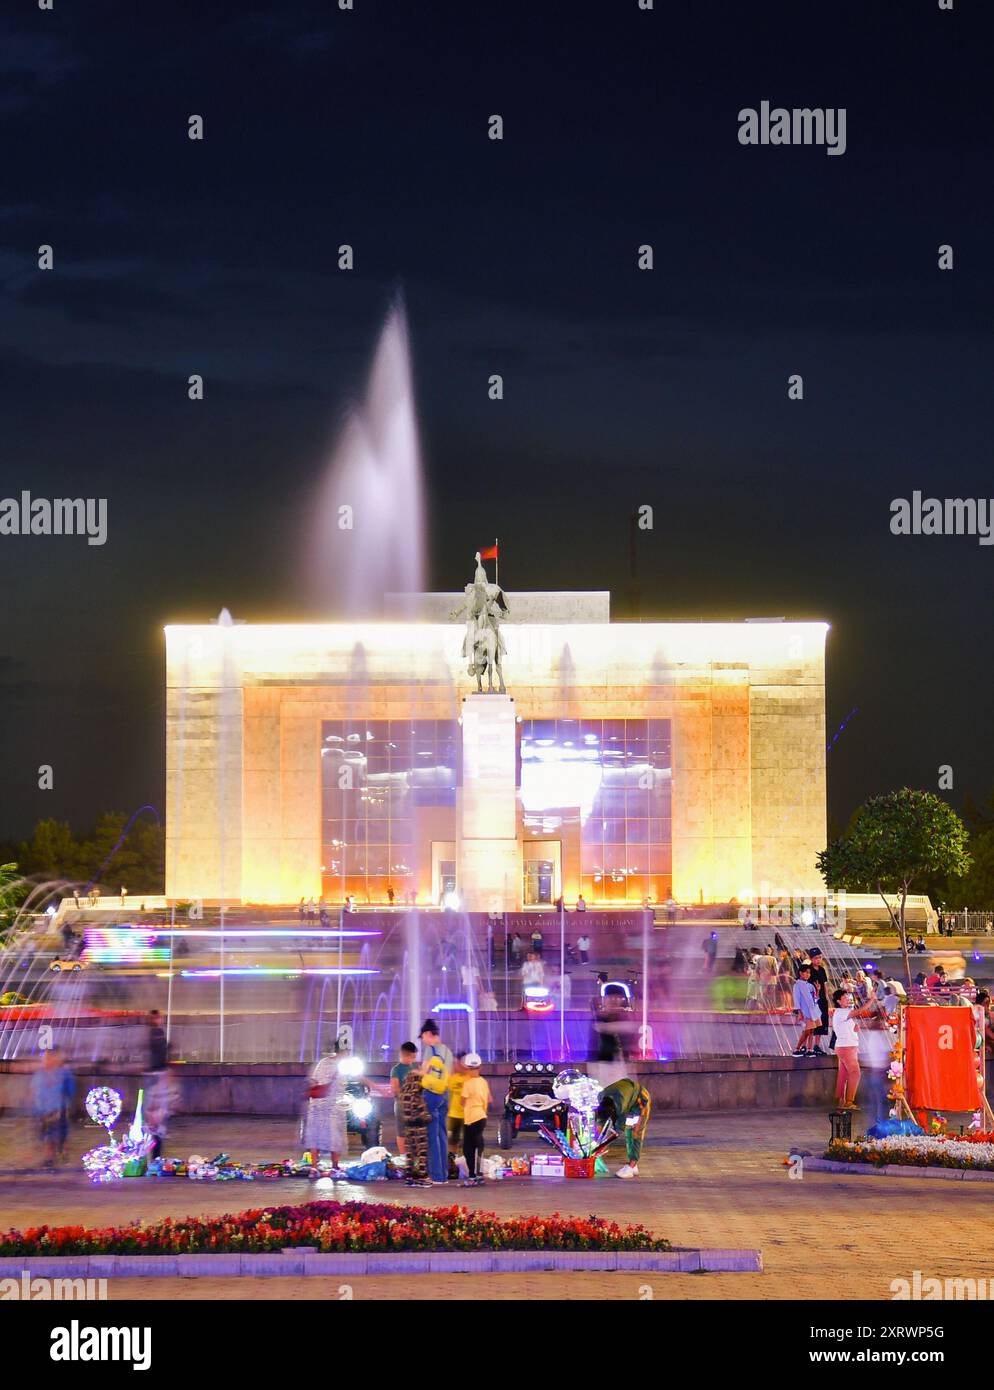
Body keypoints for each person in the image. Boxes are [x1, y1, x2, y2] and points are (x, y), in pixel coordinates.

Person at [594, 1076, 651, 1179]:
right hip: (628, 1098)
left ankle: (632, 1165)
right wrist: (596, 1144)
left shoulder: (619, 1107)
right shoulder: (601, 1097)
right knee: (629, 1134)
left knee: (635, 1133)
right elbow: (599, 1123)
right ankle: (633, 1166)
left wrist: (602, 1147)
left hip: (640, 1101)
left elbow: (617, 1132)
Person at [302, 1050, 349, 1168]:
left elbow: (313, 1082)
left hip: (317, 1104)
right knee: (335, 1133)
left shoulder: (323, 1062)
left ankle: (314, 1166)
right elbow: (355, 1079)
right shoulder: (343, 1065)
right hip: (332, 1105)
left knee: (316, 1134)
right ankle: (335, 1165)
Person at [419, 1019, 452, 1183]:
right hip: (445, 1094)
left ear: (427, 1034)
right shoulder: (447, 1051)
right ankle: (444, 1175)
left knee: (431, 1135)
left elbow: (424, 1071)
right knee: (442, 1134)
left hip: (431, 1094)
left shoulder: (429, 1050)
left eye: (423, 1037)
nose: (423, 1041)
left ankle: (436, 1175)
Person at [32, 1049, 75, 1168]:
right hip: (43, 1110)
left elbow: (70, 1092)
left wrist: (66, 1108)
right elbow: (35, 1091)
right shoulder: (40, 1075)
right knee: (47, 1136)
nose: (46, 1061)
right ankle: (50, 1158)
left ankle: (62, 1152)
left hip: (58, 1110)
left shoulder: (64, 1074)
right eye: (44, 1059)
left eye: (48, 1058)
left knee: (59, 1135)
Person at [460, 1053, 490, 1186]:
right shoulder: (483, 1082)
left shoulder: (467, 1083)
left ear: (467, 1068)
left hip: (470, 1119)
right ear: (480, 1067)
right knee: (479, 1145)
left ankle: (472, 1175)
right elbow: (487, 1100)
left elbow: (462, 1101)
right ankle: (479, 1174)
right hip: (481, 1116)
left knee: (468, 1148)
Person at [399, 1063, 432, 1187]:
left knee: (410, 1152)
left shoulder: (404, 1094)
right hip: (419, 1127)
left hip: (408, 1127)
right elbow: (424, 1113)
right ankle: (422, 1176)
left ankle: (409, 1175)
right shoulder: (416, 1096)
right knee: (421, 1151)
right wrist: (428, 1117)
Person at [144, 1067, 181, 1160]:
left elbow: (174, 1102)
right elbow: (149, 1104)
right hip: (155, 1118)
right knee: (155, 1140)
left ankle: (155, 1159)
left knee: (157, 1140)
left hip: (160, 1118)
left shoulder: (171, 1088)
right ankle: (153, 1159)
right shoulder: (156, 1089)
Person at [390, 1041, 418, 1157]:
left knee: (415, 1129)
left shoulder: (415, 1067)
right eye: (412, 1057)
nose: (413, 1059)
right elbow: (395, 1089)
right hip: (402, 1104)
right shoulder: (396, 1069)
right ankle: (403, 1155)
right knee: (402, 1131)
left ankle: (414, 1155)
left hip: (415, 1104)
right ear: (405, 1054)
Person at [792, 965, 822, 1056]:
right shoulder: (797, 985)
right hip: (806, 1012)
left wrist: (817, 990)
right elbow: (796, 999)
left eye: (809, 973)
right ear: (801, 973)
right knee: (807, 1031)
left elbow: (815, 998)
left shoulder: (810, 985)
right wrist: (799, 1012)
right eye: (806, 972)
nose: (808, 974)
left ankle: (810, 1049)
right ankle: (797, 1048)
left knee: (812, 1030)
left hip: (813, 1011)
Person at [447, 1052, 467, 1175]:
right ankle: (452, 1165)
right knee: (452, 1142)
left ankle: (465, 1165)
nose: (454, 1065)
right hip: (453, 1115)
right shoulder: (452, 1078)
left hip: (467, 1116)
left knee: (467, 1142)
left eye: (456, 1063)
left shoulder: (470, 1078)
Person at [807, 948, 830, 1052]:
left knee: (821, 1023)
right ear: (811, 959)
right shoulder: (807, 970)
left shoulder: (822, 970)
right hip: (812, 1000)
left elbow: (824, 985)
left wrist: (826, 998)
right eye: (816, 958)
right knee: (812, 1024)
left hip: (821, 1000)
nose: (818, 960)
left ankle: (817, 1045)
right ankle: (809, 1047)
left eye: (820, 957)